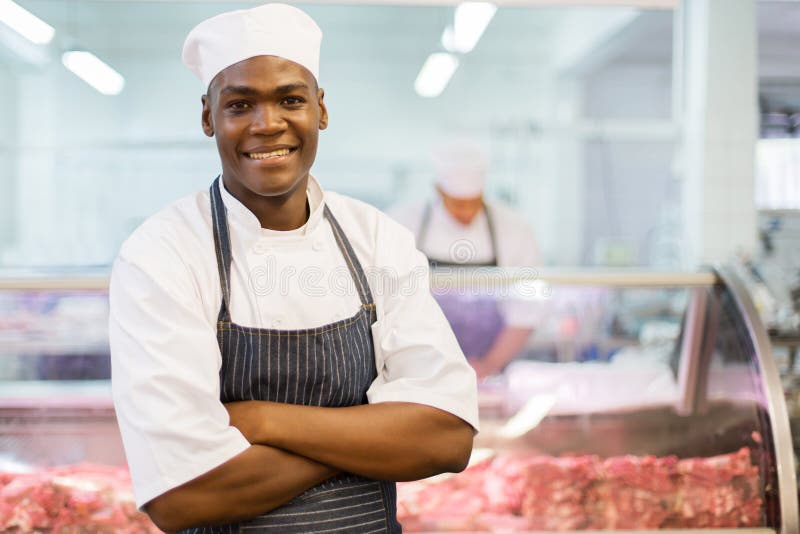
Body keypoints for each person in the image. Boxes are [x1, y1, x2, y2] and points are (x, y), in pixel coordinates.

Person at [108, 4, 478, 532]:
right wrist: (374, 441)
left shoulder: (377, 240)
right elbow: (181, 496)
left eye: (290, 99)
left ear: (320, 110)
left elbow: (448, 439)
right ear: (208, 116)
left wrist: (261, 420)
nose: (268, 124)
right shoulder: (162, 255)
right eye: (240, 104)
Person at [389, 141, 540, 379]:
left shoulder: (513, 229)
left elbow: (527, 308)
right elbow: (387, 304)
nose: (468, 213)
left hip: (489, 369)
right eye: (458, 204)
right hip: (418, 368)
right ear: (439, 191)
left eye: (475, 203)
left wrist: (489, 365)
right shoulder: (404, 222)